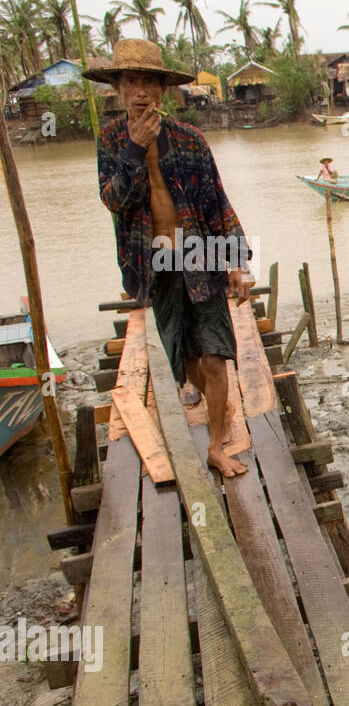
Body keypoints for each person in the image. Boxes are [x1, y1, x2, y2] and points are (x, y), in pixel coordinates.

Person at [90, 39, 250, 477]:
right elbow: (114, 201)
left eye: (149, 82)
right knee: (187, 359)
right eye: (131, 82)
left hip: (201, 253)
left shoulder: (190, 140)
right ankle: (220, 406)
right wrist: (135, 150)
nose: (140, 92)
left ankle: (216, 445)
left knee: (217, 355)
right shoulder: (110, 142)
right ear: (118, 89)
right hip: (155, 263)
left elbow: (217, 202)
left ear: (163, 90)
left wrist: (237, 262)